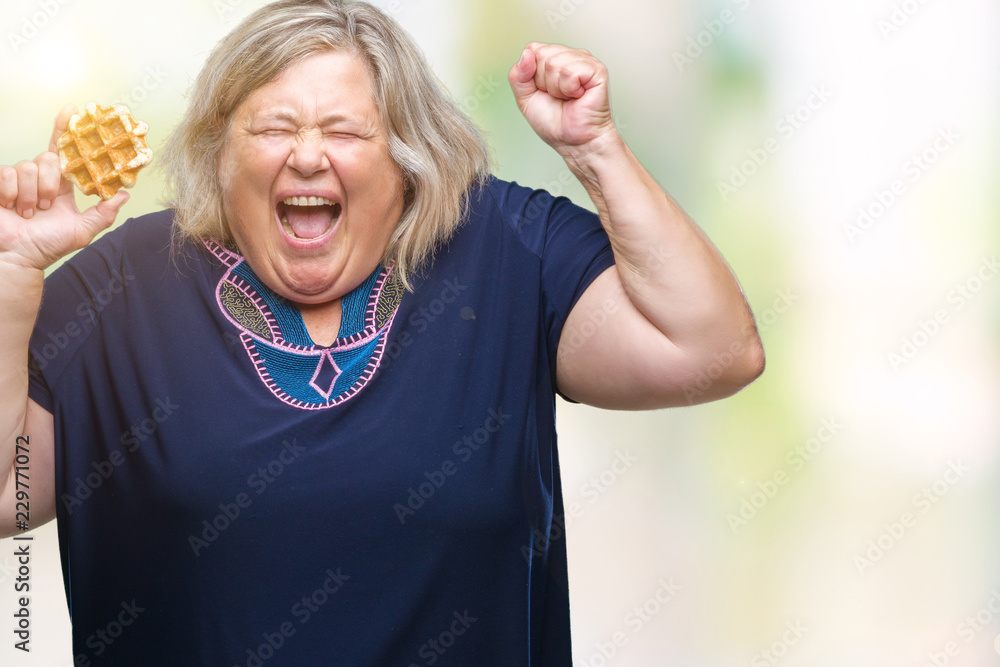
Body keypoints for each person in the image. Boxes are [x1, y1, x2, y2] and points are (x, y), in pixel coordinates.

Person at [0, 0, 763, 664]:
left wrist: (594, 151)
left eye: (345, 130)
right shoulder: (124, 285)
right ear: (218, 156)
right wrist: (11, 274)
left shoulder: (509, 246)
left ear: (406, 158)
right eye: (273, 127)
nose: (307, 155)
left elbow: (713, 351)